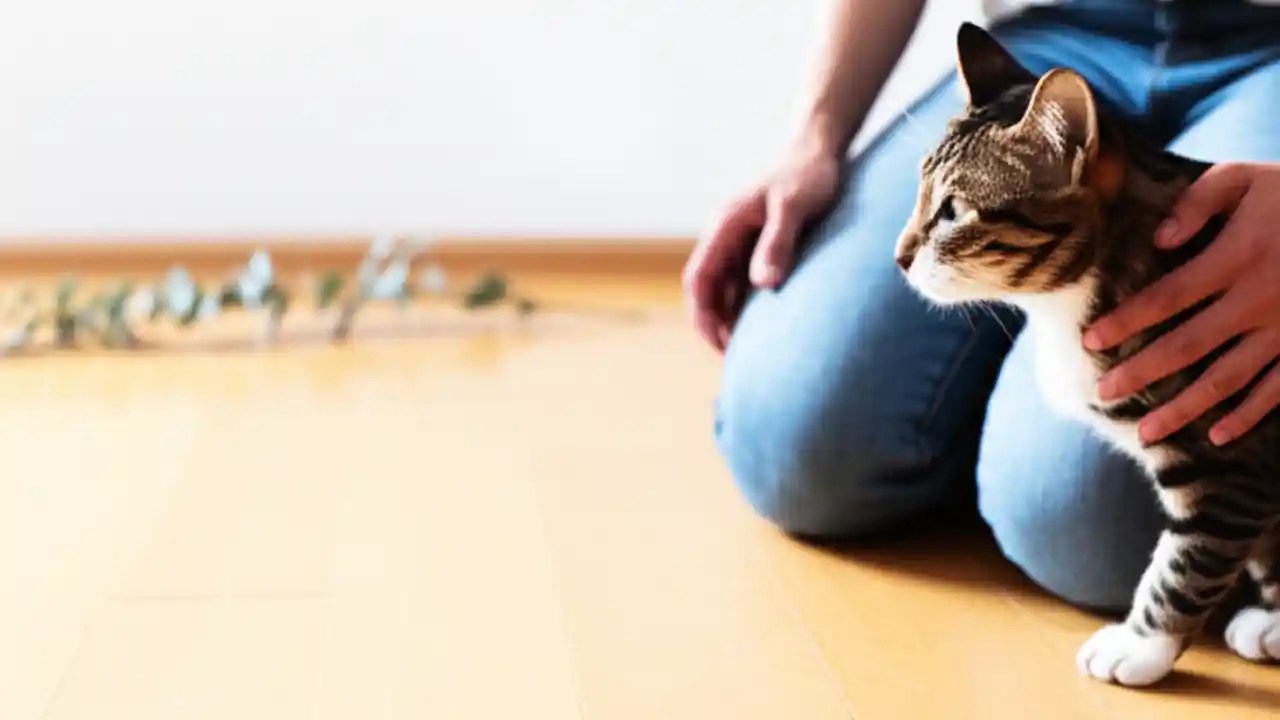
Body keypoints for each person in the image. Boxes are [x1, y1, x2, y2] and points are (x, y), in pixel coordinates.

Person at [685, 0, 1280, 611]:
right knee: (795, 448)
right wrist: (815, 138)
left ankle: (1002, 416)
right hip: (1044, 49)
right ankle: (994, 392)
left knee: (1085, 529)